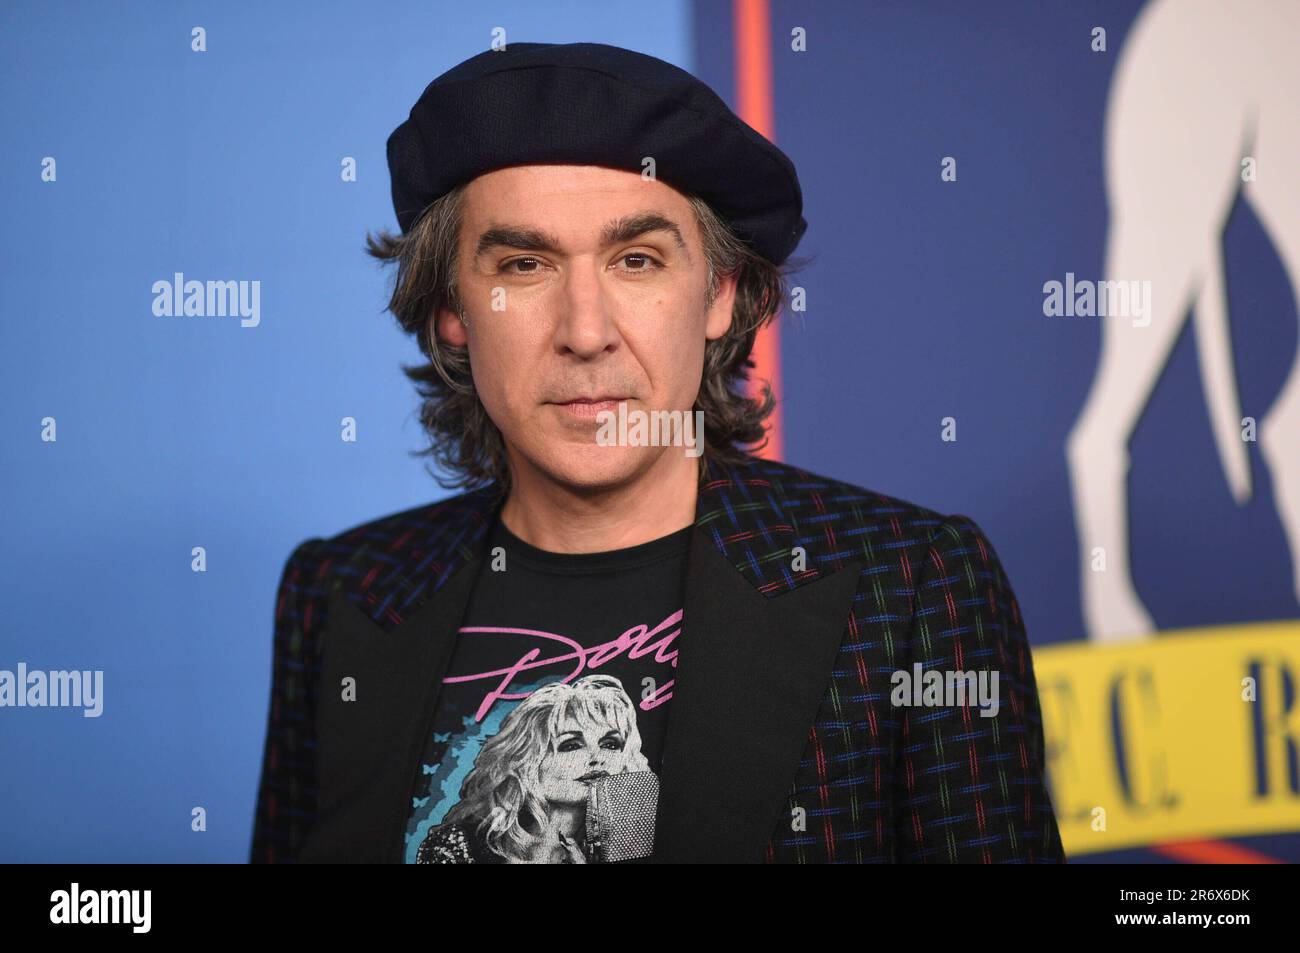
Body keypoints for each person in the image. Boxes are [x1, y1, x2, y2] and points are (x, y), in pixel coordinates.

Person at [250, 41, 1065, 864]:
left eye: (636, 260)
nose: (585, 331)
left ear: (720, 295)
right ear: (452, 308)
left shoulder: (914, 585)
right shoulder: (340, 592)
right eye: (524, 265)